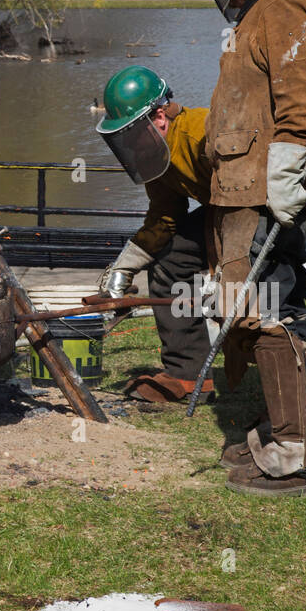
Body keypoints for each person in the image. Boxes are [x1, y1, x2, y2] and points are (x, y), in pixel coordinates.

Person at [192, 0, 306, 497]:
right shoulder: (257, 16)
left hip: (262, 197)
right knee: (260, 314)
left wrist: (287, 174)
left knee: (274, 316)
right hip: (242, 194)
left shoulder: (281, 9)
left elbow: (305, 100)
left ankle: (296, 460)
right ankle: (284, 442)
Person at [95, 66, 216, 404]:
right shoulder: (158, 156)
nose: (130, 144)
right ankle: (189, 376)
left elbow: (247, 197)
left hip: (281, 207)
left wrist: (223, 264)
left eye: (131, 133)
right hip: (226, 211)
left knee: (266, 287)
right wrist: (124, 268)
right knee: (170, 258)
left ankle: (282, 393)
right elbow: (164, 218)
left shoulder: (201, 133)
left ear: (159, 116)